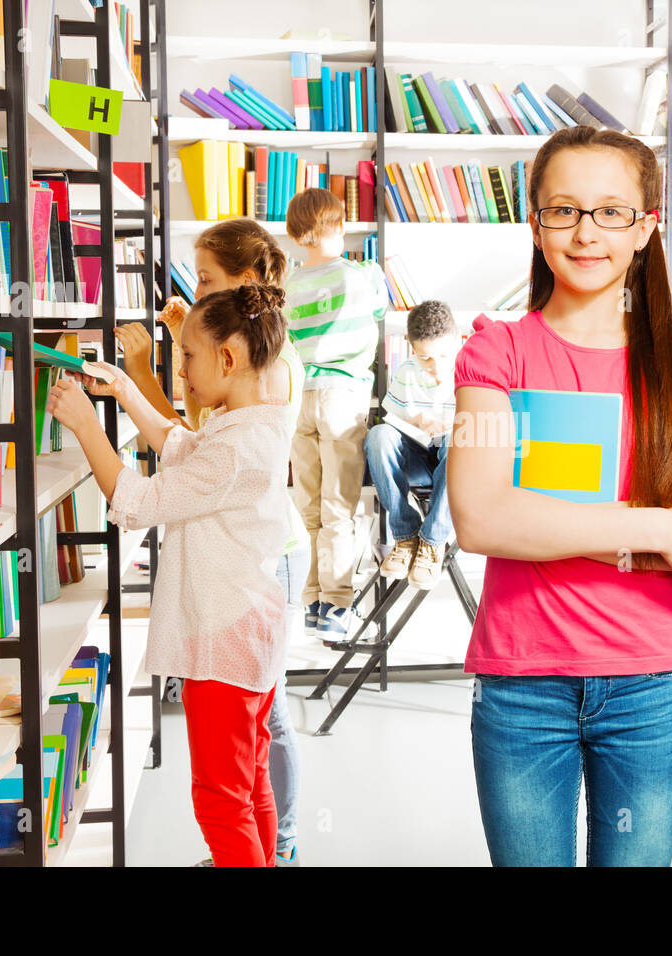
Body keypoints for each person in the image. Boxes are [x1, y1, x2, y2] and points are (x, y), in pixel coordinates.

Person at [448, 126, 672, 867]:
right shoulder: (494, 352)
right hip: (521, 685)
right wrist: (652, 526)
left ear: (646, 228)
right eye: (563, 211)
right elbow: (479, 518)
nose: (585, 233)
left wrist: (542, 521)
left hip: (648, 683)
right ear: (535, 224)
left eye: (611, 212)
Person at [47, 283, 292, 867]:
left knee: (218, 797)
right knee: (252, 777)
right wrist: (126, 389)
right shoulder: (252, 423)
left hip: (223, 644)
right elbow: (179, 445)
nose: (179, 371)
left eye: (186, 356)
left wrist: (87, 427)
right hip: (250, 633)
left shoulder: (234, 448)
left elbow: (137, 502)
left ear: (227, 359)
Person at [116, 218, 307, 866]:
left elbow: (194, 444)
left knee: (257, 730)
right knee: (251, 742)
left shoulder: (271, 371)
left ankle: (268, 850)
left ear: (245, 289)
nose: (194, 290)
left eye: (204, 279)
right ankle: (259, 849)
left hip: (263, 559)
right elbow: (193, 435)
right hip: (254, 554)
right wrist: (181, 344)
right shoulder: (248, 370)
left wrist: (152, 364)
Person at [284, 187, 389, 635]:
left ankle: (310, 599)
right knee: (339, 507)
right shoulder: (364, 275)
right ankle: (337, 606)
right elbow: (381, 311)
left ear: (294, 235)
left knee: (307, 504)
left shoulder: (285, 284)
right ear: (341, 225)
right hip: (342, 398)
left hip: (296, 398)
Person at [365, 299, 461, 591]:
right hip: (417, 461)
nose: (435, 367)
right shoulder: (407, 372)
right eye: (425, 358)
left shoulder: (471, 369)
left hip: (454, 463)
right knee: (378, 435)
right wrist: (417, 419)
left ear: (457, 340)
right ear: (411, 348)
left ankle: (432, 540)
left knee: (460, 442)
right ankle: (405, 535)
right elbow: (393, 422)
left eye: (443, 355)